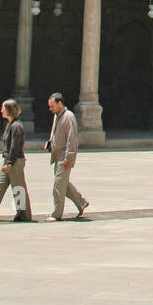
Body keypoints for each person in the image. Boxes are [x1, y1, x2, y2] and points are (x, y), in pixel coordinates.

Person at [44, 92, 89, 221]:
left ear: (60, 103)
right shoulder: (57, 116)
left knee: (58, 186)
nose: (50, 109)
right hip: (57, 155)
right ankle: (81, 203)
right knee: (63, 183)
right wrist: (50, 144)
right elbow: (55, 133)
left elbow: (72, 139)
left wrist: (69, 159)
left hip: (64, 156)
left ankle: (56, 214)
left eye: (52, 106)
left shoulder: (69, 117)